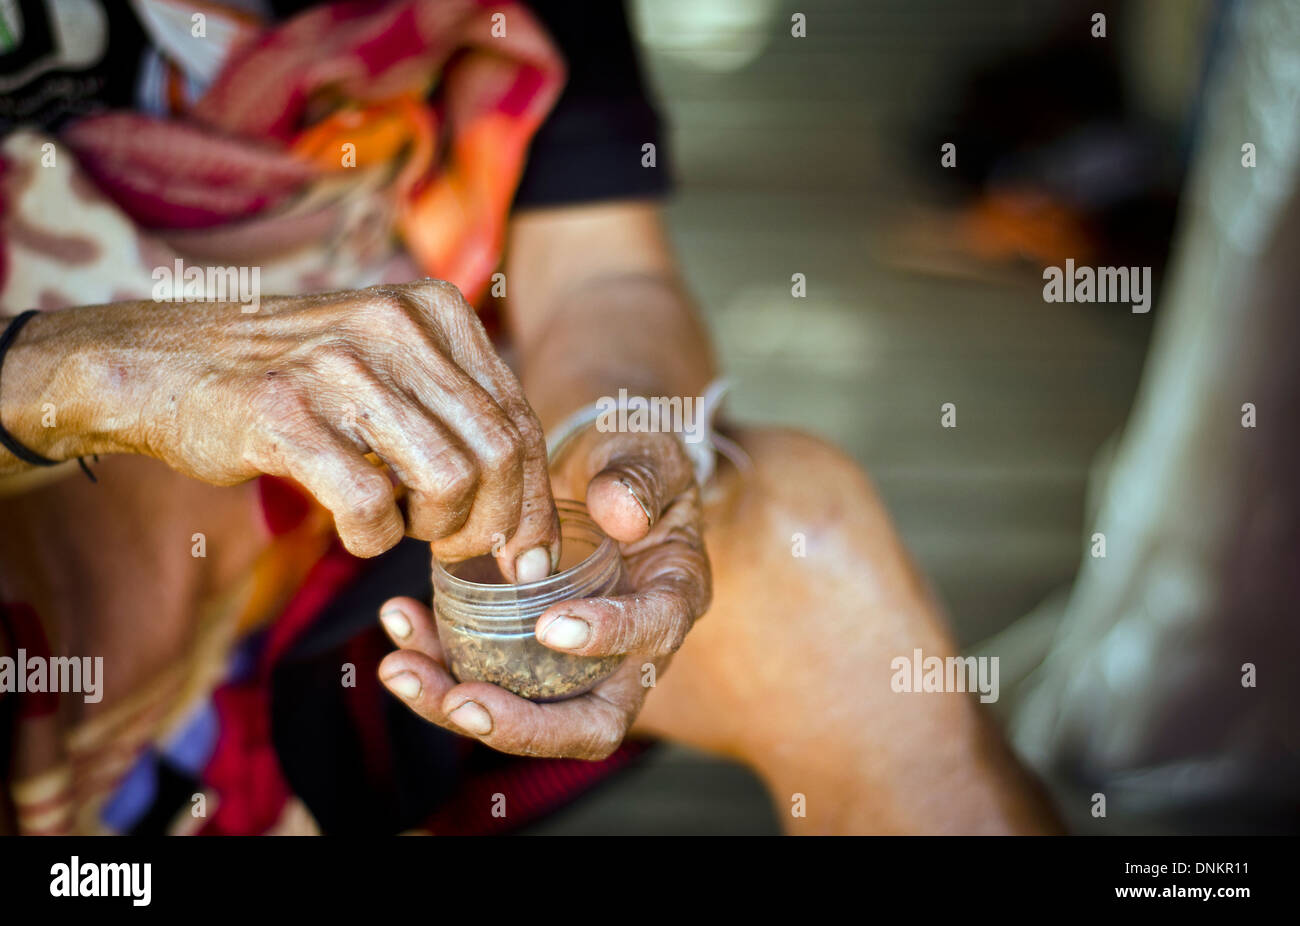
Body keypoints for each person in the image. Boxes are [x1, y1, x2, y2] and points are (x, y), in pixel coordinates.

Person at [0, 0, 1059, 834]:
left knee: (800, 537)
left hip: (384, 512)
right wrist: (83, 370)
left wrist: (621, 441)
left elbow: (602, 280)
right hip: (44, 544)